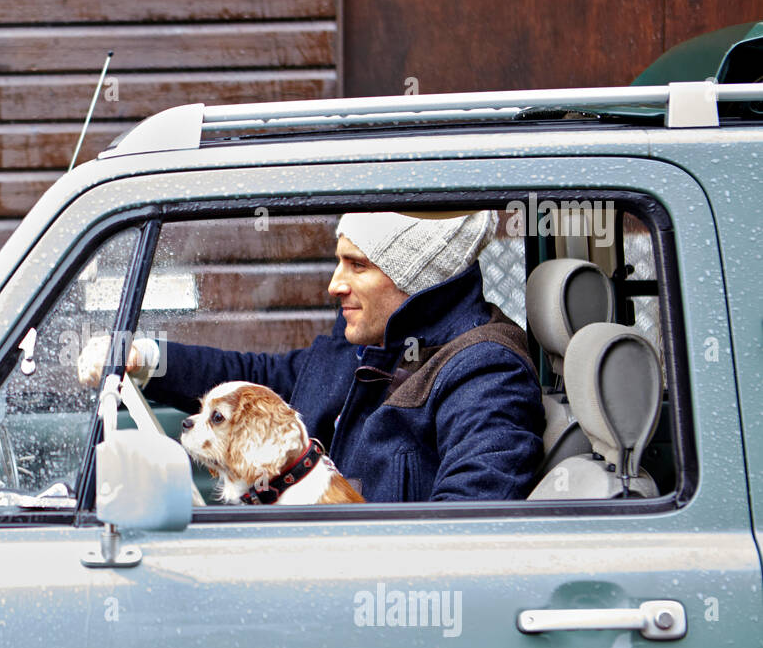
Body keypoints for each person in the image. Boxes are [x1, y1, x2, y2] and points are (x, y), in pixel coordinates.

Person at [78, 210, 545, 502]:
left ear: (417, 276)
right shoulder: (363, 342)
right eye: (339, 261)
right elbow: (261, 380)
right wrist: (142, 356)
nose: (334, 284)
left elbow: (468, 531)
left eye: (358, 265)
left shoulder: (485, 371)